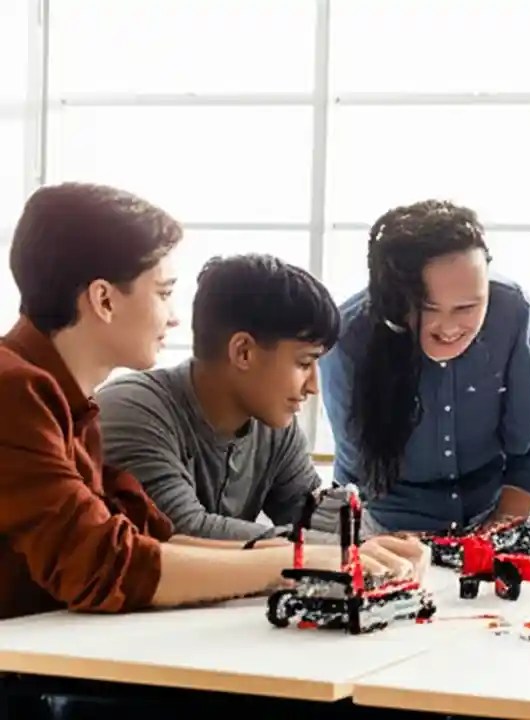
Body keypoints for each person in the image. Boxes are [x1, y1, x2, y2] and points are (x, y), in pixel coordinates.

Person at [0, 184, 424, 717]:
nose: (175, 318)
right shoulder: (15, 390)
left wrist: (335, 556)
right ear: (104, 299)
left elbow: (153, 536)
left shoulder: (64, 399)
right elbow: (105, 567)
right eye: (163, 292)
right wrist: (300, 562)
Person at [319, 199, 530, 534]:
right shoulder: (348, 339)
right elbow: (359, 473)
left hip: (490, 516)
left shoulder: (513, 313)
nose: (449, 328)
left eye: (467, 308)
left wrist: (500, 529)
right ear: (396, 299)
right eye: (429, 308)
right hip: (387, 525)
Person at [97, 254, 342, 544]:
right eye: (304, 363)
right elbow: (182, 532)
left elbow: (318, 520)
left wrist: (377, 543)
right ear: (243, 352)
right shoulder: (132, 410)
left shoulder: (275, 428)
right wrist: (345, 551)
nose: (314, 387)